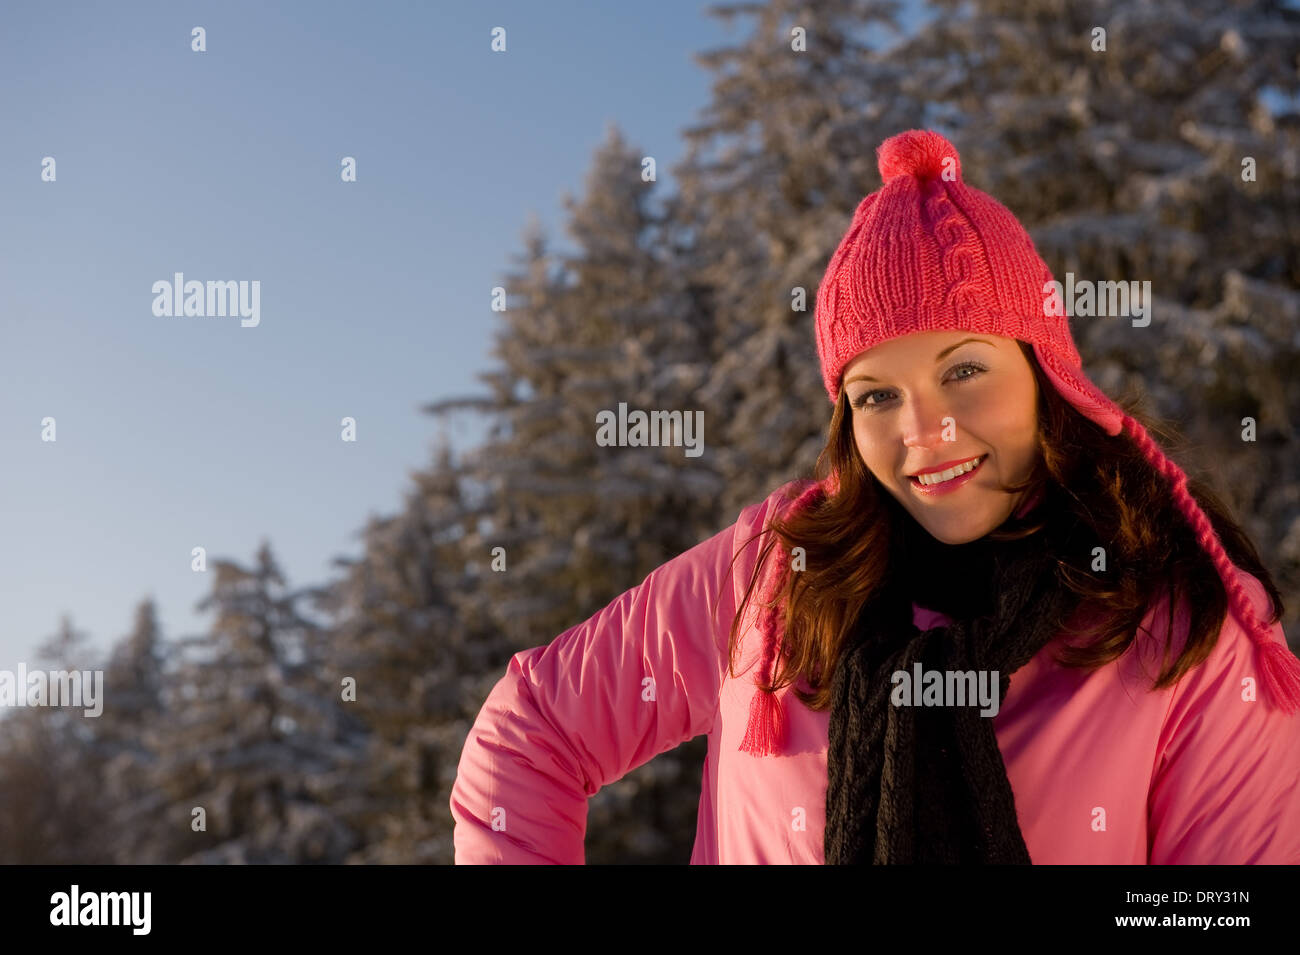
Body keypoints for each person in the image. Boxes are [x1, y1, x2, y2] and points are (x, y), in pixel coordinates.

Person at [449, 129, 1300, 864]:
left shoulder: (1177, 624)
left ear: (1048, 376)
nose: (922, 430)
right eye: (876, 395)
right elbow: (532, 733)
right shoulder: (772, 575)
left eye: (964, 369)